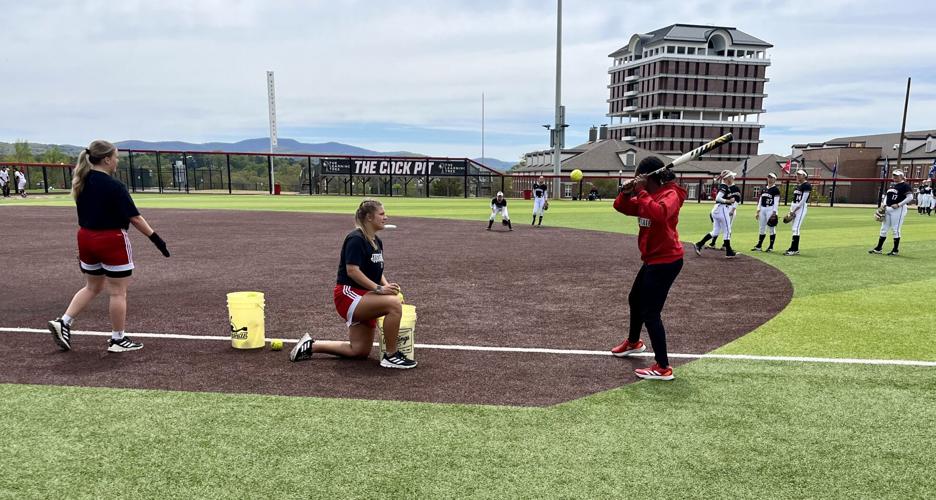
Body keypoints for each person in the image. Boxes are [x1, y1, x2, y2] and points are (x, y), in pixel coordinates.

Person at [47, 140, 170, 353]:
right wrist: (156, 239)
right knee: (117, 292)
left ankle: (64, 321)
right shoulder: (114, 186)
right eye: (116, 157)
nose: (117, 161)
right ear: (106, 159)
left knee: (92, 286)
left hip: (85, 238)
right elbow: (135, 218)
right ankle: (117, 339)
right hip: (111, 239)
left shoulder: (82, 181)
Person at [290, 199, 415, 369]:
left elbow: (377, 271)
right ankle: (391, 355)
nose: (386, 217)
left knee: (359, 351)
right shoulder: (356, 238)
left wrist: (387, 287)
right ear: (369, 217)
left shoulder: (377, 241)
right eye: (382, 214)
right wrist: (380, 290)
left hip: (365, 297)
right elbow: (352, 271)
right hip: (348, 295)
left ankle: (311, 346)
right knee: (394, 306)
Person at [610, 157, 688, 381]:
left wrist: (641, 192)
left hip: (667, 260)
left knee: (651, 312)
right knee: (635, 299)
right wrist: (626, 193)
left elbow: (660, 214)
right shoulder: (649, 196)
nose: (635, 180)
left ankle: (663, 367)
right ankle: (634, 343)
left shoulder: (671, 195)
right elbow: (621, 207)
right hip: (652, 259)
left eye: (638, 177)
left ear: (647, 177)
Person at [694, 170, 739, 258]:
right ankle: (729, 251)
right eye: (731, 177)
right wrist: (728, 201)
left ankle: (699, 244)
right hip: (722, 209)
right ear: (727, 178)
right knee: (727, 230)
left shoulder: (724, 186)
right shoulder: (724, 186)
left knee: (715, 231)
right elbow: (718, 198)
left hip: (717, 209)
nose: (732, 178)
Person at [869, 170, 913, 256]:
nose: (894, 177)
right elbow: (887, 196)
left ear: (902, 177)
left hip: (899, 210)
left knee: (895, 229)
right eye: (893, 176)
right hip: (888, 209)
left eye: (896, 176)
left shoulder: (905, 185)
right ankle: (878, 248)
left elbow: (910, 197)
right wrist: (883, 205)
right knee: (883, 229)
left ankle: (895, 250)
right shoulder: (892, 185)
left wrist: (899, 204)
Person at [783, 169, 811, 256]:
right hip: (794, 207)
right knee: (793, 229)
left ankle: (793, 249)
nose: (798, 176)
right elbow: (794, 200)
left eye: (800, 174)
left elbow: (803, 200)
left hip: (801, 208)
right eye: (797, 174)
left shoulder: (807, 185)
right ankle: (795, 248)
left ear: (804, 176)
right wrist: (791, 210)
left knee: (796, 228)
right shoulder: (798, 185)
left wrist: (794, 211)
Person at [752, 173, 781, 252]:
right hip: (763, 209)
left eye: (771, 177)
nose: (770, 179)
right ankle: (759, 246)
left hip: (770, 209)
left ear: (775, 179)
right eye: (769, 177)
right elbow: (760, 200)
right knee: (762, 227)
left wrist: (774, 212)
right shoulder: (764, 189)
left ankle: (771, 246)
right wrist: (758, 211)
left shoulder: (776, 189)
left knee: (771, 227)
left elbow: (776, 202)